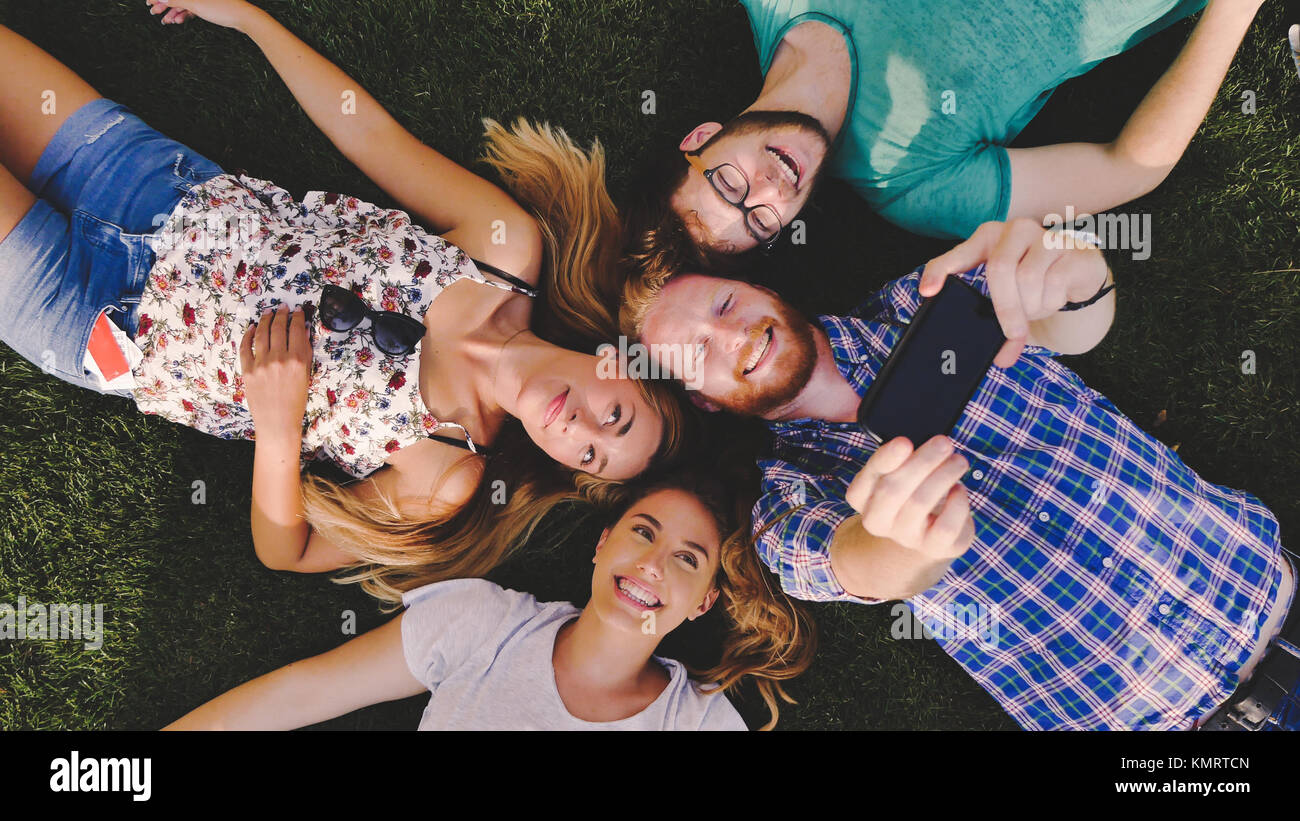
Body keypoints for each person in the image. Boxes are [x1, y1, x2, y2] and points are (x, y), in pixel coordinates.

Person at [0, 3, 691, 601]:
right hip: (150, 181)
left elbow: (287, 549)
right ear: (615, 362)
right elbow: (372, 137)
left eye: (592, 455)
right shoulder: (505, 252)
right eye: (617, 415)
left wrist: (278, 425)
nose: (583, 428)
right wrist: (245, 16)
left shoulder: (448, 470)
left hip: (101, 318)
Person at [624, 217, 1299, 730]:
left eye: (723, 305)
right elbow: (854, 565)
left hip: (1272, 586)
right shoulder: (784, 498)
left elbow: (1080, 311)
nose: (733, 335)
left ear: (760, 287)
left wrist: (1067, 264)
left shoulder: (925, 300)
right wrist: (904, 545)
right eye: (698, 353)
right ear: (702, 399)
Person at [622, 0, 1268, 266]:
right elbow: (1130, 167)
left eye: (728, 182)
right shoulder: (911, 184)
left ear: (701, 136)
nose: (767, 188)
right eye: (760, 220)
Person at [164, 472, 818, 730]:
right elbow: (296, 694)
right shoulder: (484, 623)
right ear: (601, 545)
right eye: (642, 532)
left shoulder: (698, 723)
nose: (651, 563)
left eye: (686, 558)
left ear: (703, 601)